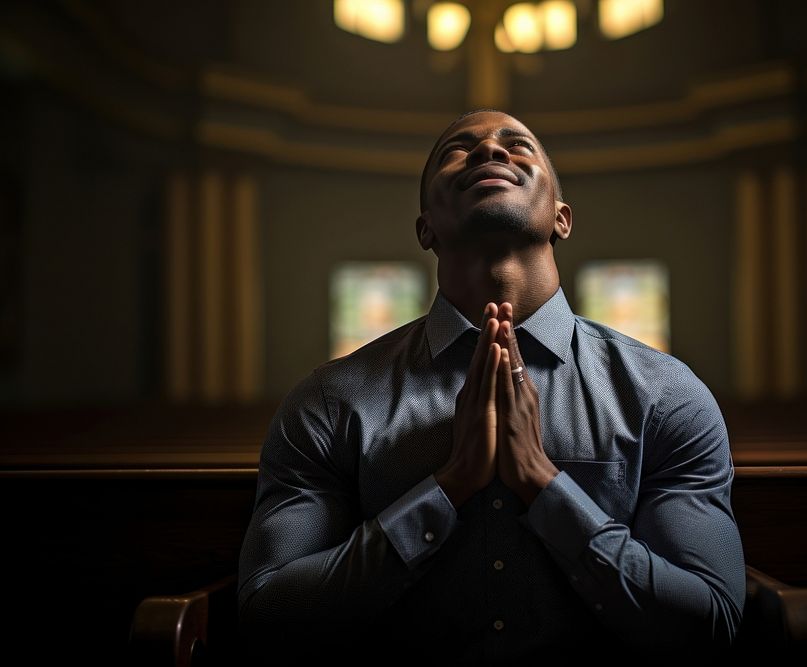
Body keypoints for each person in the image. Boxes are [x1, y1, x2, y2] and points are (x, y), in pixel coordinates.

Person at [238, 109, 745, 665]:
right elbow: (269, 615)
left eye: (517, 143)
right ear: (425, 227)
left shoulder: (664, 394)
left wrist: (543, 484)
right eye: (459, 148)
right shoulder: (329, 402)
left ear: (562, 218)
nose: (489, 151)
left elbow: (710, 620)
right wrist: (449, 487)